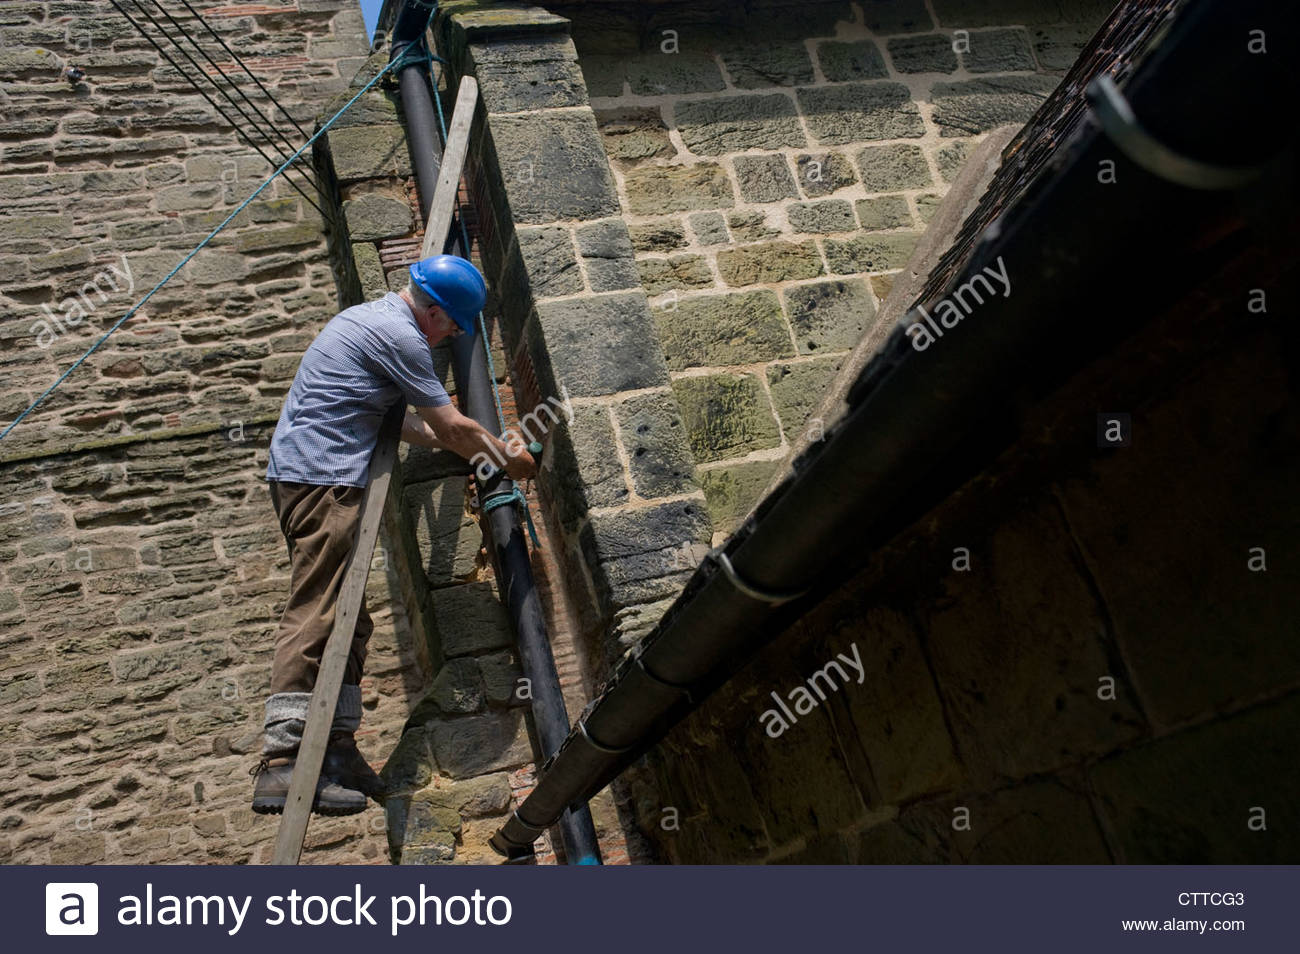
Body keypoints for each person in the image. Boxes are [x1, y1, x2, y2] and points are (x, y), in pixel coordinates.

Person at [251, 254, 536, 816]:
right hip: (323, 479)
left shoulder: (374, 323)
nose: (452, 335)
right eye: (452, 324)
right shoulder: (398, 335)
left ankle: (336, 748)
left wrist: (469, 446)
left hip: (312, 474)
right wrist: (507, 460)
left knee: (350, 617)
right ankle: (283, 761)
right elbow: (451, 424)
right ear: (432, 311)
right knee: (318, 611)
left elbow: (412, 425)